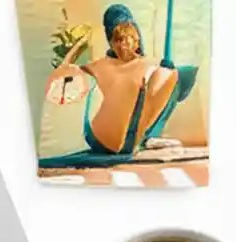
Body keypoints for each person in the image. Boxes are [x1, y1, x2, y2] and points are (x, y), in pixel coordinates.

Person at [39, 3, 194, 169]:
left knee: (170, 73)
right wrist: (80, 45)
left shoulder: (149, 64)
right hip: (99, 140)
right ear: (111, 42)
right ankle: (144, 140)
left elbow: (174, 81)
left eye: (127, 38)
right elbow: (64, 70)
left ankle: (144, 139)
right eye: (117, 40)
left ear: (136, 39)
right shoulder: (103, 65)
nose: (123, 45)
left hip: (129, 140)